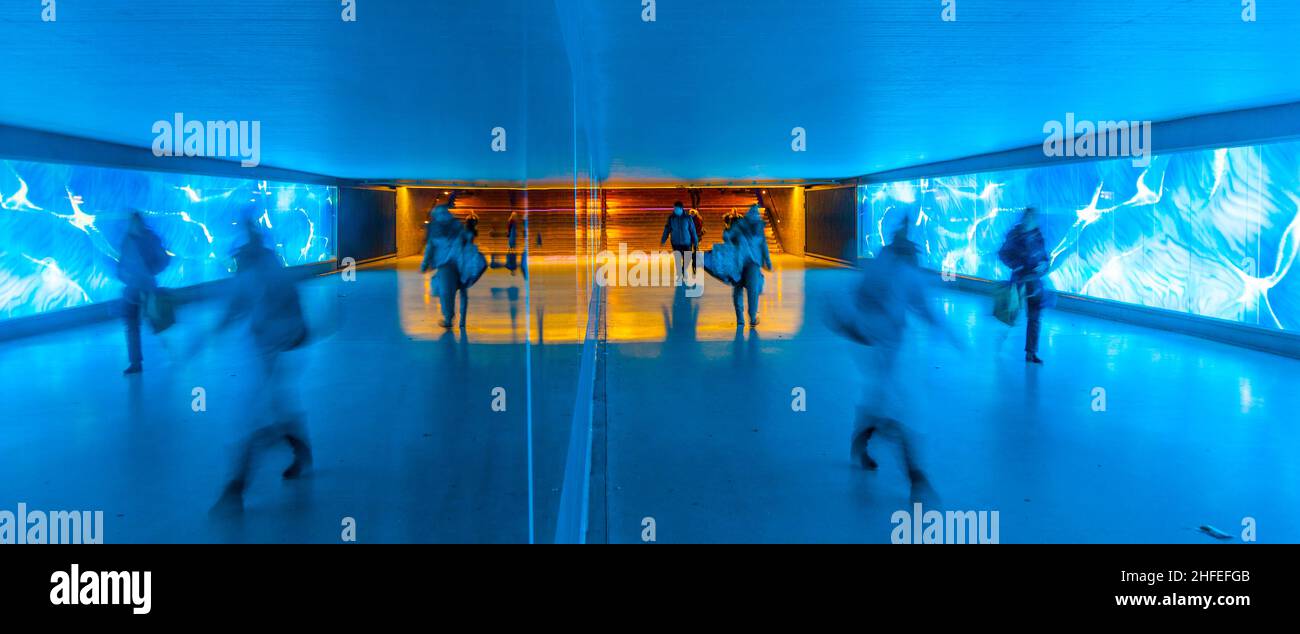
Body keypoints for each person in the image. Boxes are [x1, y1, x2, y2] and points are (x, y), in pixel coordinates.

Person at [830, 219, 960, 501]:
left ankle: (862, 440)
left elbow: (858, 297)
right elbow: (924, 309)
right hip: (878, 346)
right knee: (898, 405)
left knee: (885, 400)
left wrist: (849, 324)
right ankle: (916, 475)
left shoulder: (882, 264)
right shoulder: (900, 271)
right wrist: (950, 334)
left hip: (877, 346)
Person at [211, 220, 313, 513]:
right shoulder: (268, 269)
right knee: (271, 408)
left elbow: (240, 306)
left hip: (276, 350)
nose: (235, 263)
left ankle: (235, 489)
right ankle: (299, 448)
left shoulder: (262, 273)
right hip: (269, 350)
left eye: (237, 258)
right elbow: (240, 306)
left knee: (255, 414)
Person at [116, 211, 169, 375]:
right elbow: (123, 262)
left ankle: (167, 348)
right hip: (133, 289)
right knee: (132, 325)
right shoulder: (129, 239)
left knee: (152, 321)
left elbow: (163, 259)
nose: (133, 224)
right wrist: (124, 276)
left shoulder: (148, 238)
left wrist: (149, 271)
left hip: (145, 287)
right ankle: (135, 362)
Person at [998, 207, 1050, 364]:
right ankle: (1001, 337)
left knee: (1034, 317)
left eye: (1034, 217)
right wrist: (1018, 265)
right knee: (1011, 314)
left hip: (1034, 281)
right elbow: (1003, 254)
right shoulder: (1015, 235)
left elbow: (1044, 256)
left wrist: (1044, 265)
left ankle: (1031, 352)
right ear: (1024, 217)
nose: (1032, 220)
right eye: (1029, 217)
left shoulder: (1037, 235)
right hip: (1020, 280)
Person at [421, 204, 473, 328]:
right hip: (460, 263)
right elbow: (466, 240)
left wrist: (425, 263)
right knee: (460, 291)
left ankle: (449, 318)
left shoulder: (435, 228)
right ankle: (460, 319)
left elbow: (430, 246)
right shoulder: (456, 225)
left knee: (446, 292)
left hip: (446, 263)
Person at [726, 205, 772, 327]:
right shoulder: (756, 227)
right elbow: (763, 246)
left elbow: (728, 237)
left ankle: (741, 318)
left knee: (739, 290)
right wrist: (767, 261)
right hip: (751, 264)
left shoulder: (741, 226)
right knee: (752, 291)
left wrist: (728, 237)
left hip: (740, 262)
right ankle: (750, 318)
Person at [661, 201, 699, 280]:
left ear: (681, 209)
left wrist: (695, 241)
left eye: (676, 209)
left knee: (687, 258)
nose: (675, 210)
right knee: (678, 259)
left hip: (686, 242)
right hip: (676, 242)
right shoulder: (671, 218)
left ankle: (683, 270)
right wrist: (663, 239)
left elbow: (692, 230)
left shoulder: (688, 218)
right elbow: (667, 229)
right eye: (674, 209)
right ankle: (679, 274)